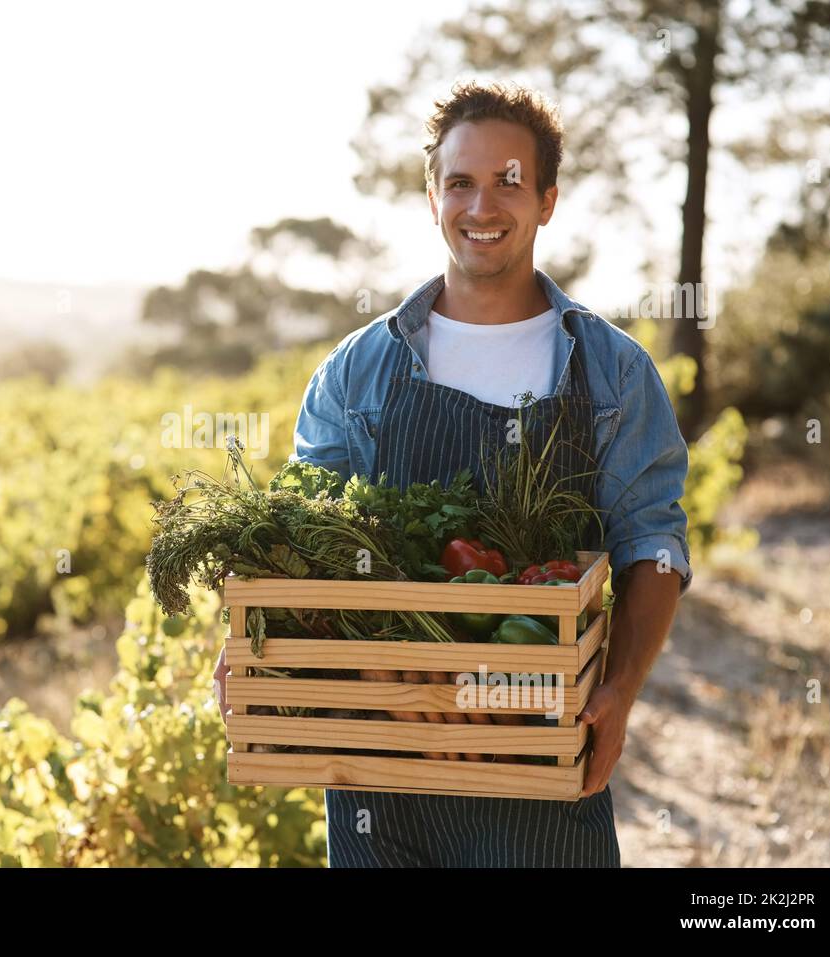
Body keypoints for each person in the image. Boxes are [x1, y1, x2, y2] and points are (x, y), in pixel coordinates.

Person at [212, 79, 691, 867]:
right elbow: (298, 528)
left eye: (508, 180)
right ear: (431, 196)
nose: (482, 204)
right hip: (378, 763)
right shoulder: (361, 370)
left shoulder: (610, 372)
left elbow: (653, 544)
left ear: (546, 200)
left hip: (539, 754)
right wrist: (246, 632)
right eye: (460, 182)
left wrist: (620, 688)